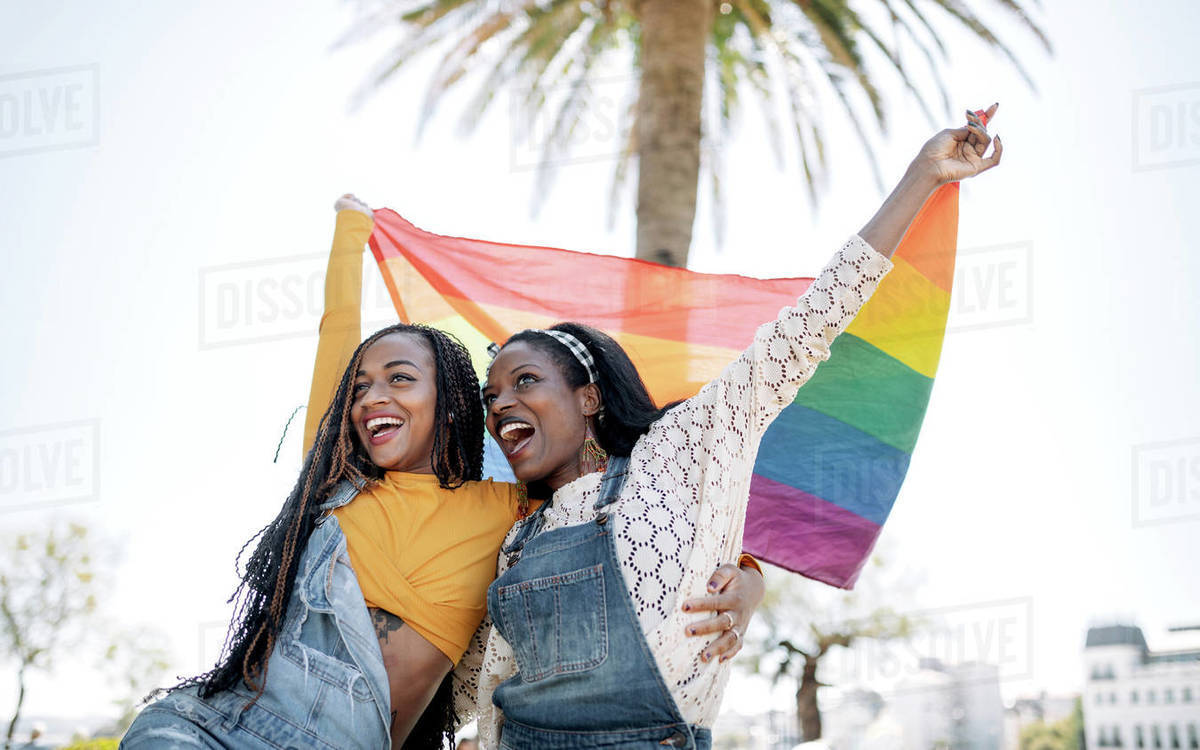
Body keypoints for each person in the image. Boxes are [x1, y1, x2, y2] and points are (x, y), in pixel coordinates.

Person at [121, 198, 764, 750]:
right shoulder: (334, 488)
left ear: (451, 401)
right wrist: (351, 233)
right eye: (363, 385)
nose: (374, 396)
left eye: (401, 379)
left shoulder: (509, 509)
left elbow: (647, 530)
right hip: (211, 725)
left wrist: (749, 581)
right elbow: (336, 332)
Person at [468, 106, 1003, 748]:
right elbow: (484, 694)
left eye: (525, 382)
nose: (501, 405)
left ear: (587, 398)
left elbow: (811, 321)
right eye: (491, 395)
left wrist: (922, 175)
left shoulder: (684, 449)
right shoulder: (516, 541)